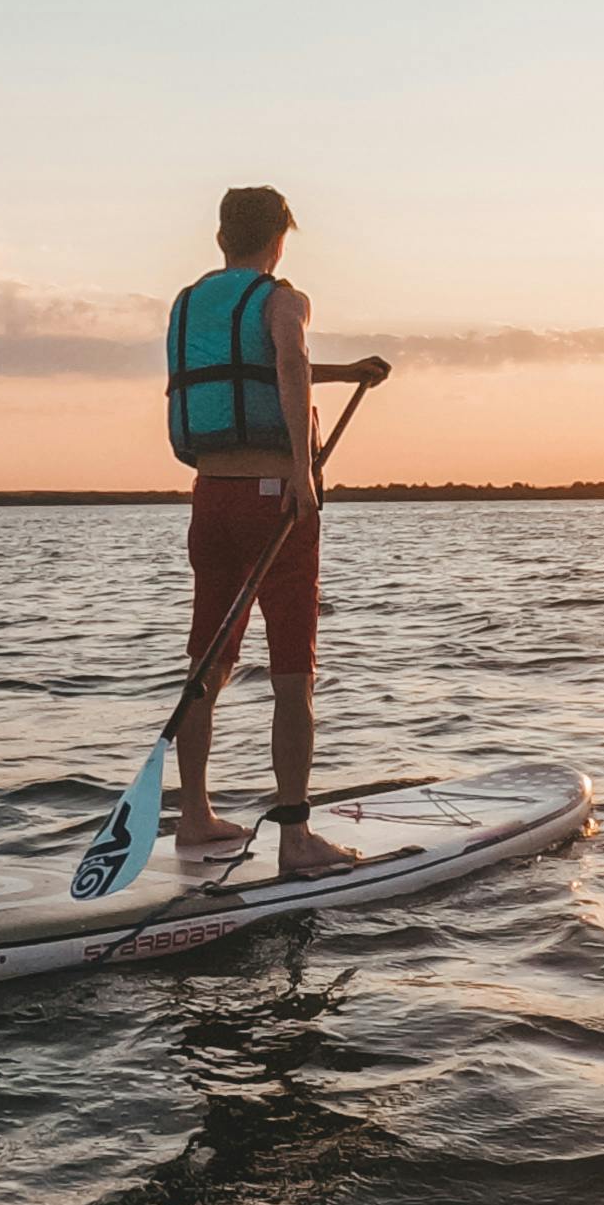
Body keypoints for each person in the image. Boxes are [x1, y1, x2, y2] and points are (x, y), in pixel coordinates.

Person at [164, 186, 389, 877]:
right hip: (274, 502)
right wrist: (303, 474)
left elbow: (259, 367)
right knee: (294, 672)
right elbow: (286, 362)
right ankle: (295, 839)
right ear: (279, 239)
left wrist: (347, 373)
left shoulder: (191, 299)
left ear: (219, 238)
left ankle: (195, 817)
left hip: (211, 498)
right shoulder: (284, 296)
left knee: (207, 663)